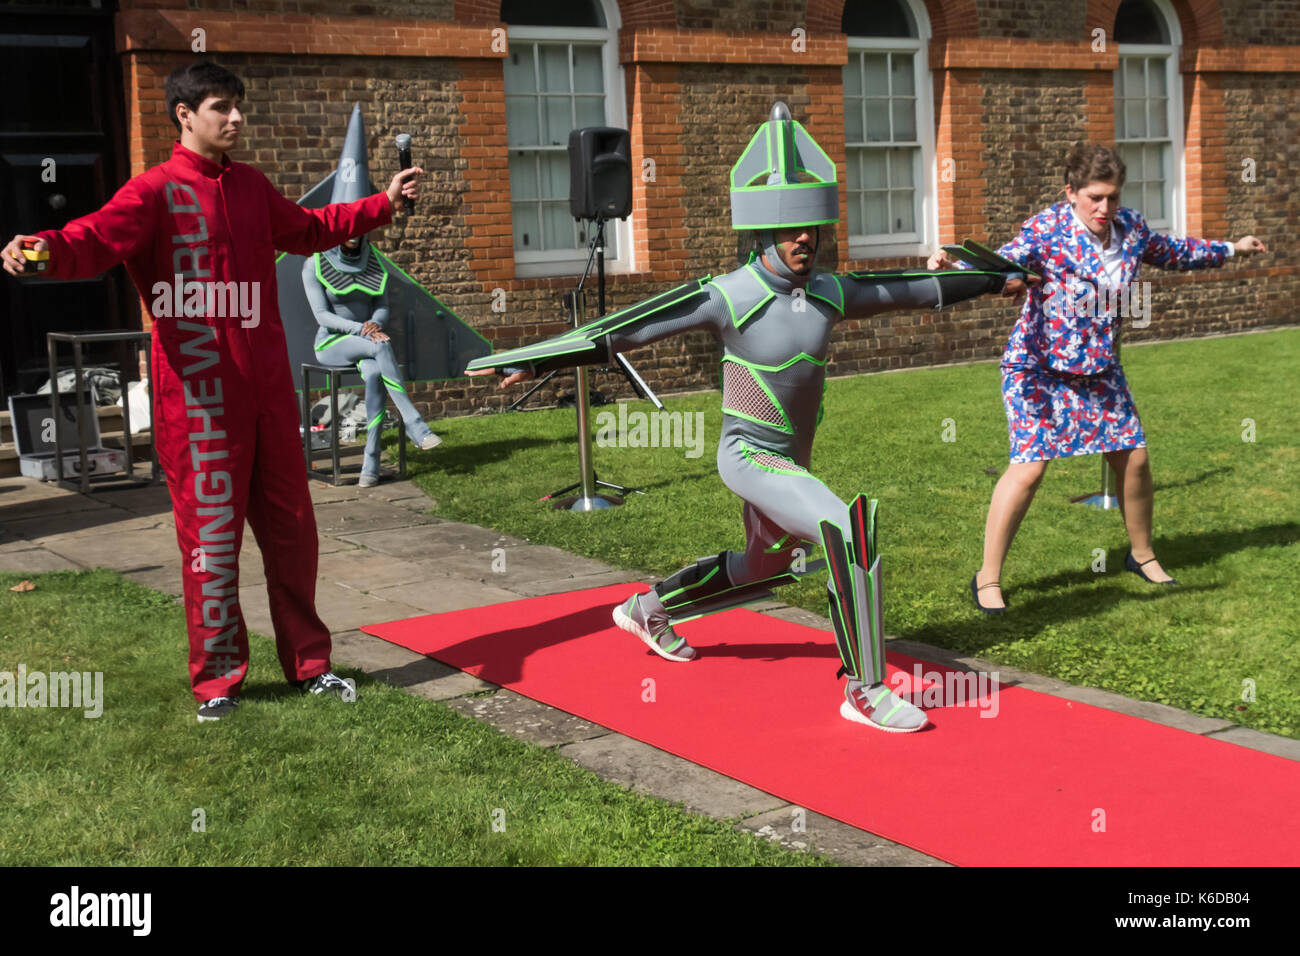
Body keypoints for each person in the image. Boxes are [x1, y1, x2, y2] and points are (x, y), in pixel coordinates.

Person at [471, 102, 1024, 733]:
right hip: (748, 455)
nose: (804, 240)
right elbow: (625, 329)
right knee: (848, 532)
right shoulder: (726, 295)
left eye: (813, 228)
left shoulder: (831, 293)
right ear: (760, 232)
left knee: (762, 568)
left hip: (791, 461)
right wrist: (535, 360)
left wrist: (988, 281)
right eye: (792, 230)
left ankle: (647, 608)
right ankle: (865, 690)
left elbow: (908, 288)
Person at [2, 61, 424, 721]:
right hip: (197, 403)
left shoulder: (252, 186)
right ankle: (217, 683)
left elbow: (311, 230)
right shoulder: (153, 192)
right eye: (222, 107)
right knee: (210, 542)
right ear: (185, 114)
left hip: (267, 398)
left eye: (238, 107)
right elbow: (91, 239)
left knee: (292, 535)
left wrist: (383, 205)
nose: (235, 119)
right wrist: (41, 251)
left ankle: (309, 666)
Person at [927, 143, 1266, 613]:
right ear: (1072, 192)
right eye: (1094, 197)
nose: (1105, 208)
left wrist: (1231, 248)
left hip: (1100, 368)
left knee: (1135, 459)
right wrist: (953, 268)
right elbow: (1002, 264)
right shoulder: (1047, 229)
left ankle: (1142, 556)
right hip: (1038, 368)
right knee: (1028, 470)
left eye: (1112, 197)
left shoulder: (1130, 229)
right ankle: (987, 578)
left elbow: (1175, 251)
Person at [302, 105, 442, 488]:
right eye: (346, 218)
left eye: (359, 219)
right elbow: (322, 317)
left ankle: (370, 465)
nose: (353, 228)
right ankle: (414, 422)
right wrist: (362, 330)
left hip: (368, 340)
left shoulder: (374, 262)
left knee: (377, 371)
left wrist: (374, 324)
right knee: (380, 350)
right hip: (333, 342)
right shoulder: (314, 262)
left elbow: (382, 305)